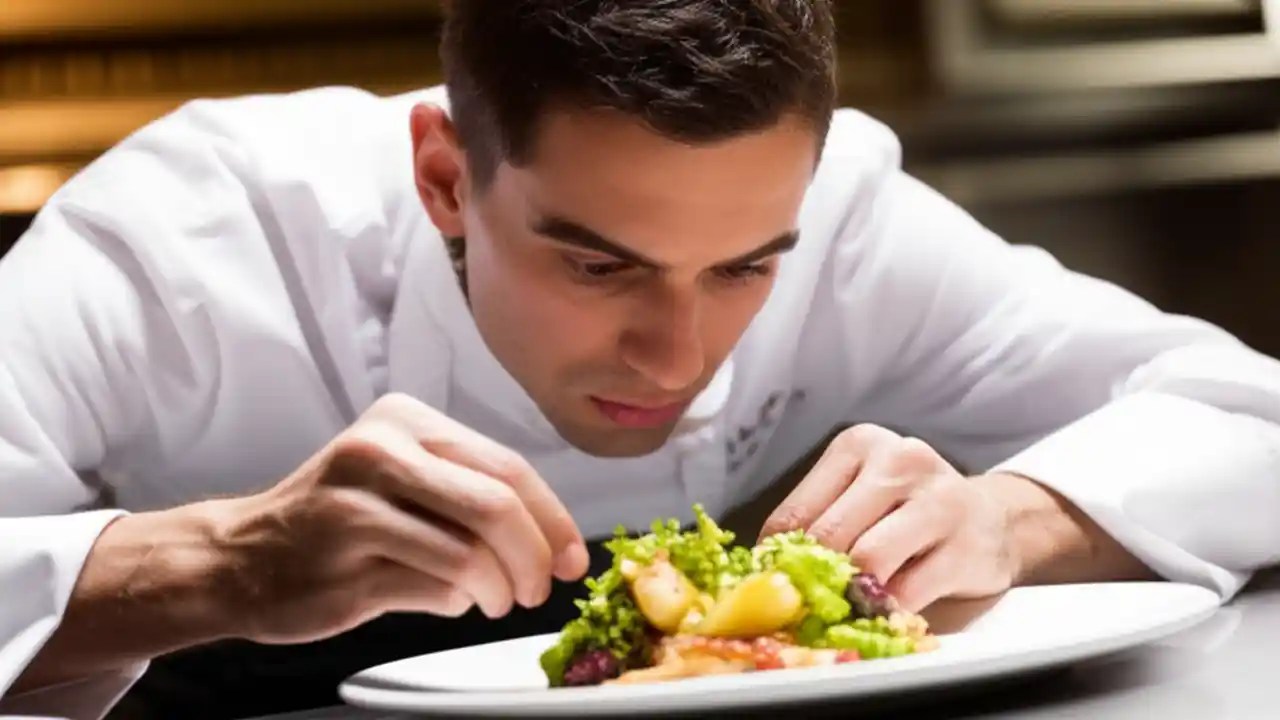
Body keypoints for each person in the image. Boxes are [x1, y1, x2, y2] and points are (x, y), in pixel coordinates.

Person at [4, 1, 1280, 718]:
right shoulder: (176, 244)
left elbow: (1251, 419)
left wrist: (1005, 518)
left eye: (742, 269)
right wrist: (224, 565)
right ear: (445, 177)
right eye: (597, 266)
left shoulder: (844, 219)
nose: (678, 359)